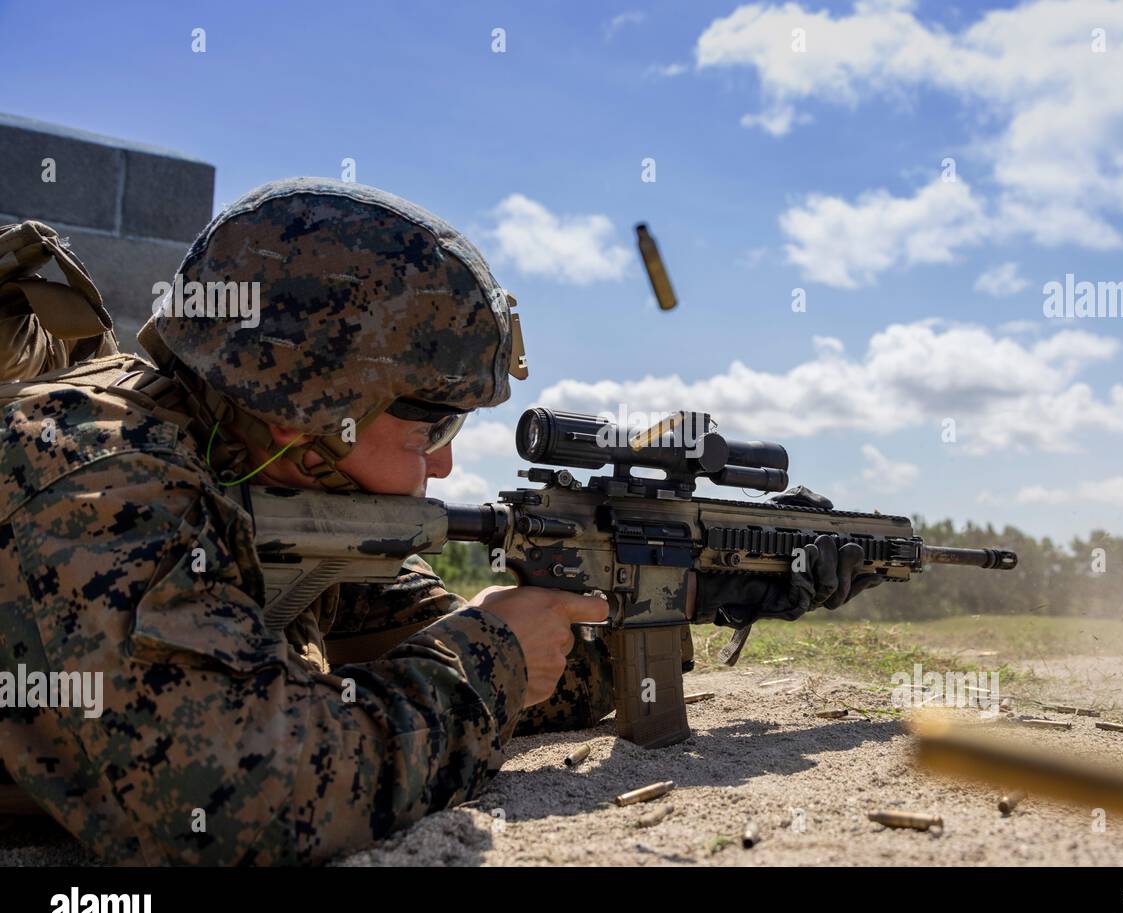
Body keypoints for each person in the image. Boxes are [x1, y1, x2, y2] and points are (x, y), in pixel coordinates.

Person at [0, 178, 872, 865]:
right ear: (311, 404)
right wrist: (489, 656)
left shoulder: (274, 487)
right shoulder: (94, 475)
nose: (447, 463)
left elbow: (501, 667)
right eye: (433, 426)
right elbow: (235, 800)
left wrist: (693, 590)